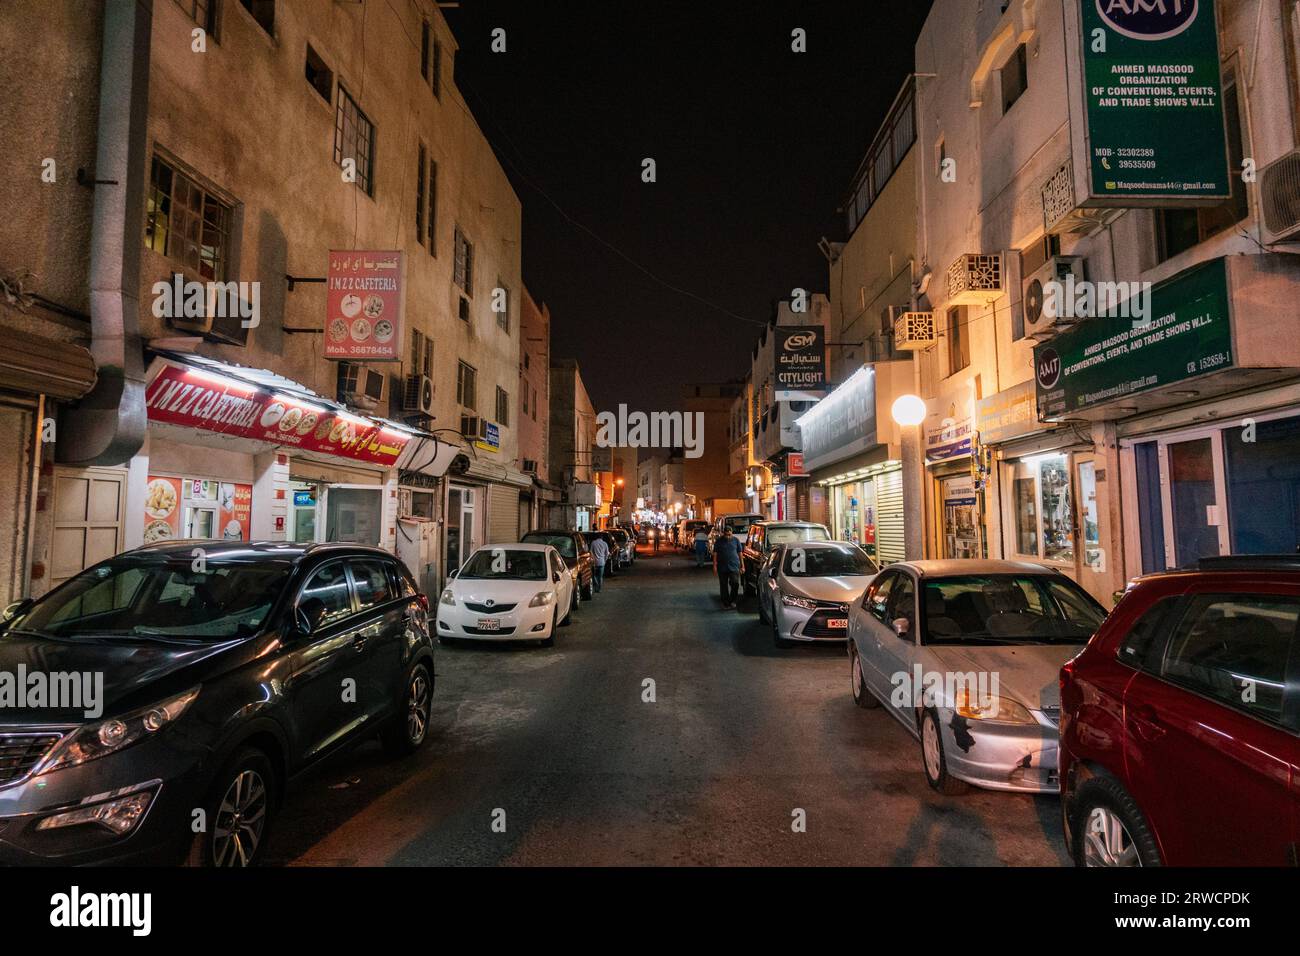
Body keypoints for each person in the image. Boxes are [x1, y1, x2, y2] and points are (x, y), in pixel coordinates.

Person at [713, 526, 742, 608]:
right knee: (723, 585)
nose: (728, 536)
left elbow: (740, 553)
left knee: (735, 583)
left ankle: (733, 600)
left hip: (734, 566)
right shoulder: (719, 541)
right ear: (723, 533)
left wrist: (742, 566)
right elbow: (715, 553)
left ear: (732, 533)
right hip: (722, 567)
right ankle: (725, 602)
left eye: (729, 534)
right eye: (726, 535)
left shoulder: (736, 540)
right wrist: (714, 565)